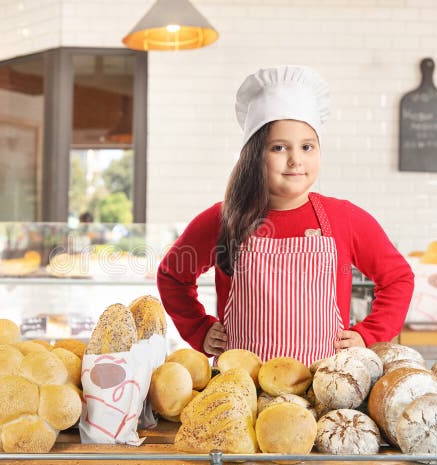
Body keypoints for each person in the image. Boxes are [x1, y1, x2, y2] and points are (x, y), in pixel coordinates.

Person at [156, 65, 414, 365]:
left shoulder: (344, 218)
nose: (296, 160)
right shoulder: (222, 219)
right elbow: (171, 275)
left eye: (307, 147)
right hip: (243, 389)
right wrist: (199, 329)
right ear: (254, 155)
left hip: (322, 386)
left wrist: (368, 334)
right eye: (279, 147)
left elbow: (398, 278)